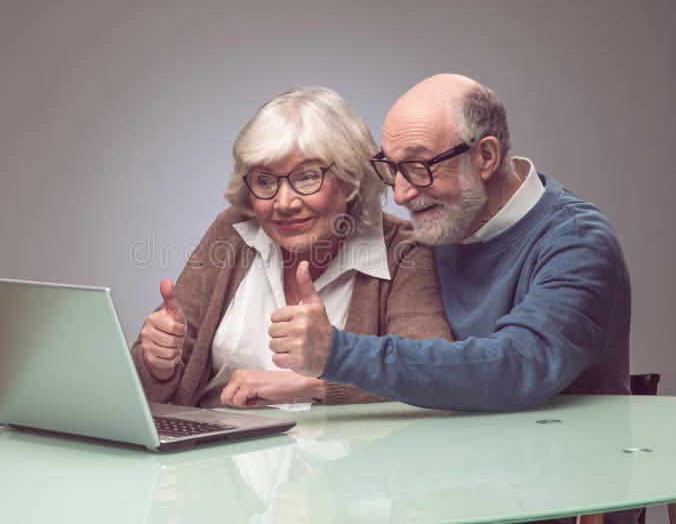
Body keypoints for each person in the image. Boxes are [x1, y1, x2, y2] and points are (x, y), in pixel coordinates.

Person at [268, 74, 634, 524]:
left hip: (560, 510)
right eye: (391, 169)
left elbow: (516, 368)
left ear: (485, 157)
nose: (401, 193)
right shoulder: (436, 229)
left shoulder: (577, 241)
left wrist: (336, 355)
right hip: (447, 493)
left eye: (419, 167)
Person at [131, 86, 453, 409]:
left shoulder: (403, 250)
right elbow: (149, 392)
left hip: (341, 458)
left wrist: (310, 384)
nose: (284, 203)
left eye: (308, 177)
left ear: (350, 177)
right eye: (265, 181)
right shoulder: (231, 233)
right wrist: (157, 365)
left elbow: (431, 371)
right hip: (218, 456)